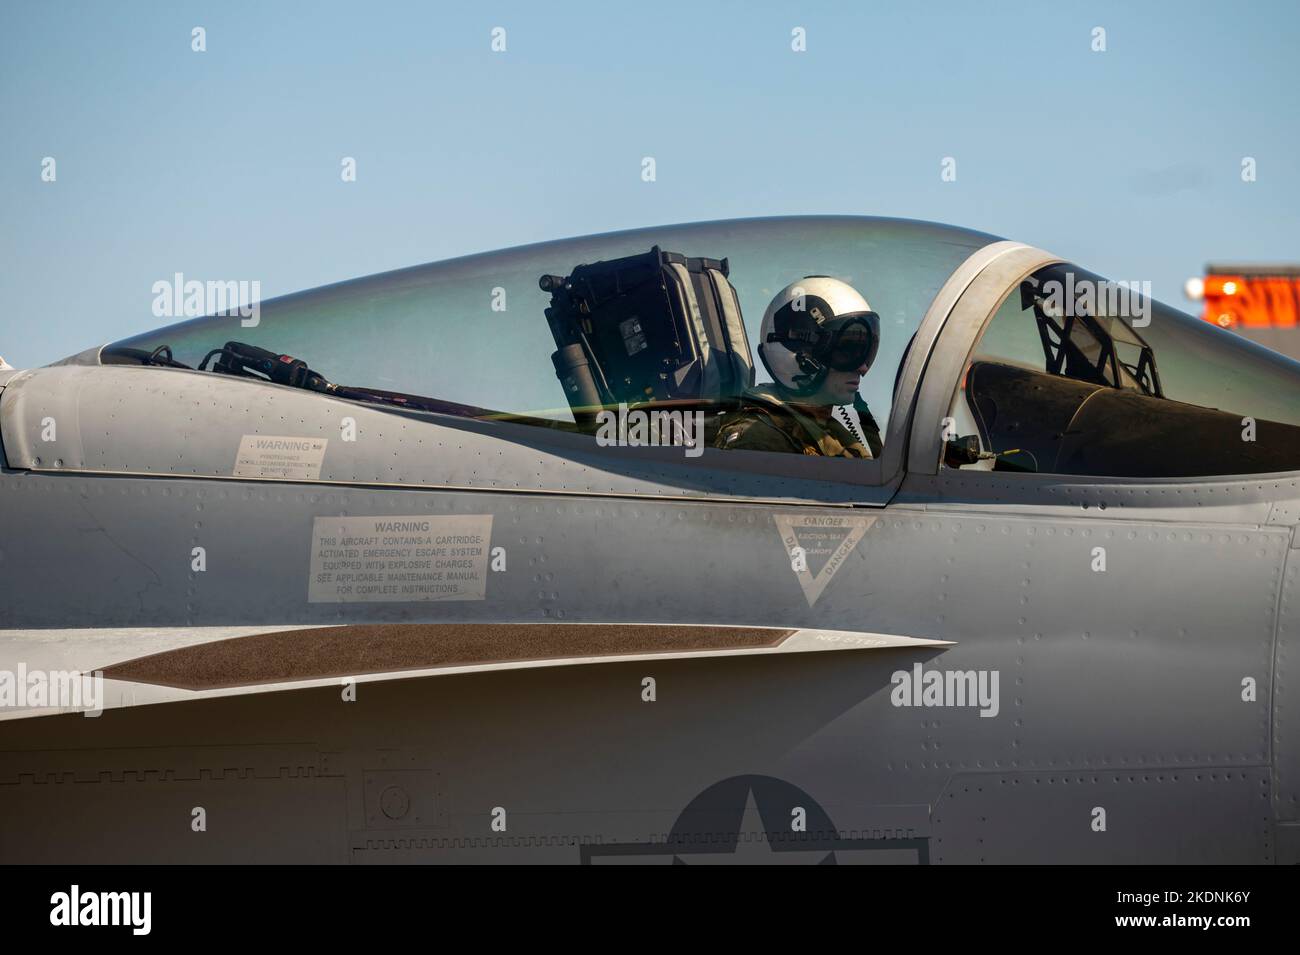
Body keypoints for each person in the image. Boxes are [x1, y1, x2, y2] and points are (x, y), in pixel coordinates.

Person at [712, 277, 884, 458]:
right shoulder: (758, 441)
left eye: (866, 351)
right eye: (847, 350)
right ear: (803, 356)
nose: (863, 368)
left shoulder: (822, 429)